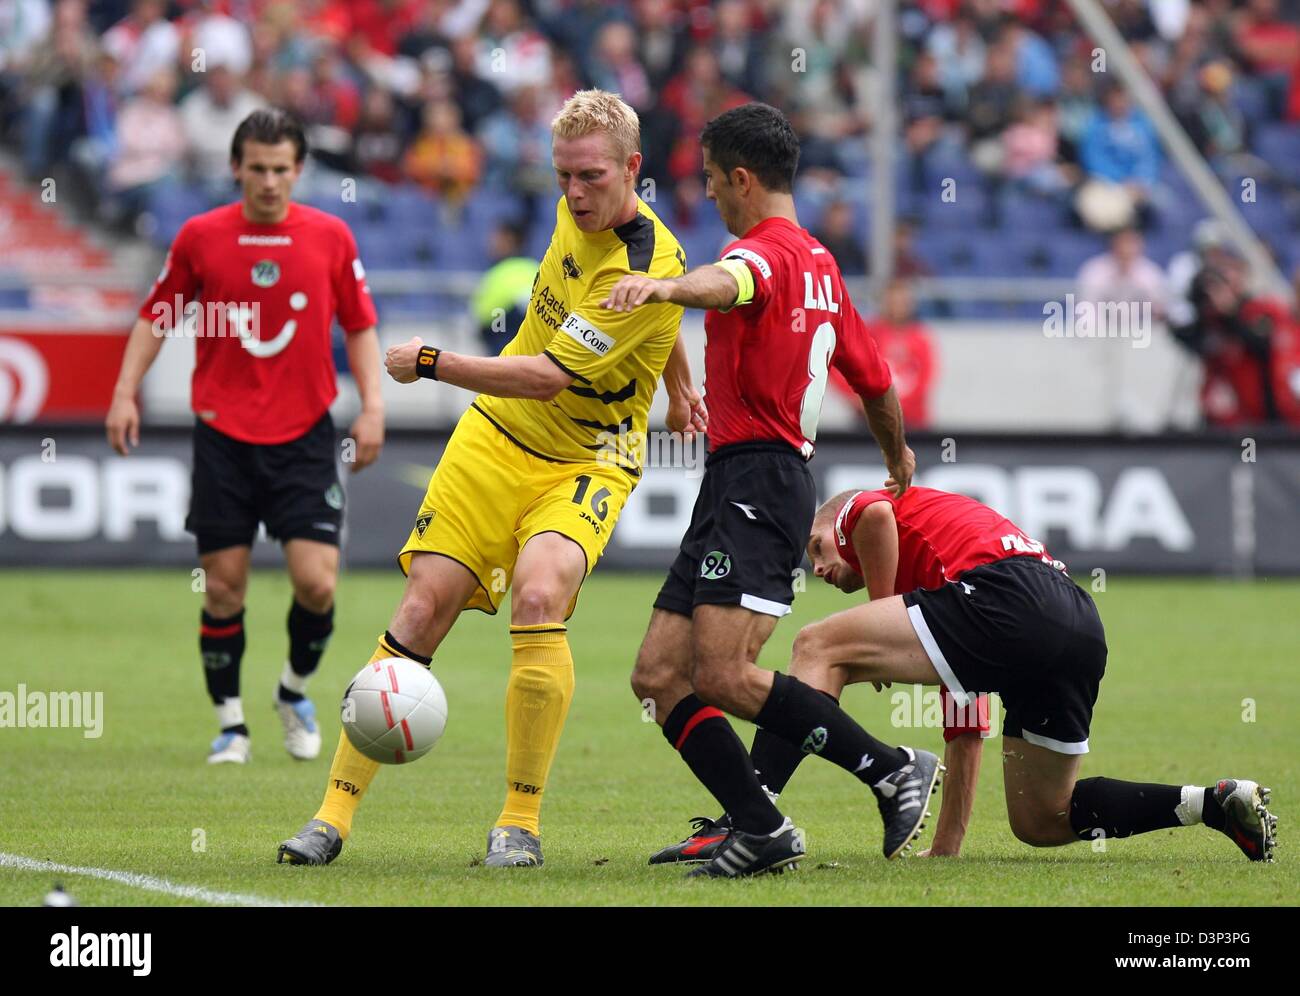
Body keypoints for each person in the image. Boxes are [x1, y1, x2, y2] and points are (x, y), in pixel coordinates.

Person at [277, 89, 701, 869]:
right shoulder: (579, 210)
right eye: (563, 176)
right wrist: (678, 377)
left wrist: (429, 363)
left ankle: (519, 822)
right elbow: (659, 319)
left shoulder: (646, 261)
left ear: (634, 171)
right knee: (422, 604)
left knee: (540, 594)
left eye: (592, 177)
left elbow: (546, 375)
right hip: (495, 439)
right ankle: (331, 817)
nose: (574, 194)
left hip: (588, 457)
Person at [605, 103, 933, 879]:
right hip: (736, 479)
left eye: (715, 182)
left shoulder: (765, 255)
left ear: (743, 179)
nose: (711, 195)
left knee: (722, 674)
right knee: (657, 676)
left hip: (763, 477)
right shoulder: (823, 267)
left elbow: (729, 284)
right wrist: (900, 456)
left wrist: (665, 291)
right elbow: (877, 382)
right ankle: (762, 826)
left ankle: (892, 768)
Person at [718, 486, 1275, 862]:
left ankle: (747, 818)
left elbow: (876, 515)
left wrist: (876, 607)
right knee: (1041, 819)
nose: (817, 567)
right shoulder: (941, 596)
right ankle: (1212, 801)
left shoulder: (873, 506)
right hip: (1074, 620)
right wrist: (946, 848)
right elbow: (964, 725)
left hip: (1009, 594)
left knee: (815, 644)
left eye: (816, 547)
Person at [106, 108, 386, 765]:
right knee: (224, 585)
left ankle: (292, 691)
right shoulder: (201, 237)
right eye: (256, 169)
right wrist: (124, 392)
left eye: (280, 169)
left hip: (305, 435)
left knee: (317, 584)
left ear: (298, 170)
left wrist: (372, 407)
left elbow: (361, 325)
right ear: (236, 168)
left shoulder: (330, 237)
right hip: (223, 437)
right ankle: (231, 725)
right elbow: (157, 316)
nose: (268, 182)